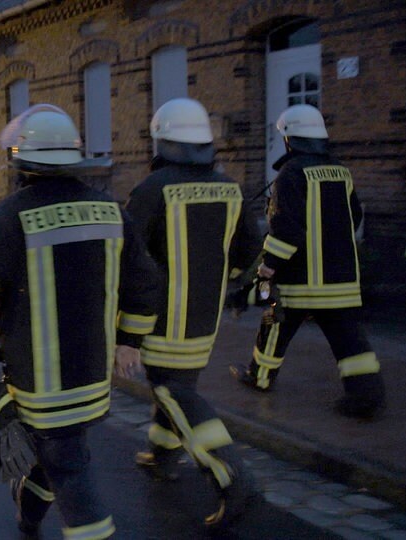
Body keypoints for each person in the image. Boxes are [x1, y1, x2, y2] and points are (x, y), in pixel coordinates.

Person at [0, 104, 159, 539]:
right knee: (60, 452)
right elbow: (145, 282)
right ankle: (28, 517)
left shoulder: (8, 218)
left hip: (41, 383)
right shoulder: (111, 211)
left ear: (21, 161)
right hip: (91, 376)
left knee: (70, 470)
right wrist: (130, 341)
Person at [125, 97, 261, 529]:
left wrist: (121, 320)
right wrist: (230, 284)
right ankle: (162, 456)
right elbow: (248, 253)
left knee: (171, 390)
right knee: (177, 386)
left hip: (162, 318)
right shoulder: (231, 187)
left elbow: (127, 257)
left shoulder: (151, 190)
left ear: (161, 140)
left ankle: (230, 478)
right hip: (205, 317)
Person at [230, 104, 386, 419]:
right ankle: (367, 396)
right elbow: (354, 217)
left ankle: (259, 378)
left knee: (274, 322)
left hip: (301, 281)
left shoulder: (290, 175)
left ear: (290, 139)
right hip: (341, 280)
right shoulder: (341, 171)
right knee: (349, 338)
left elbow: (286, 229)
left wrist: (268, 266)